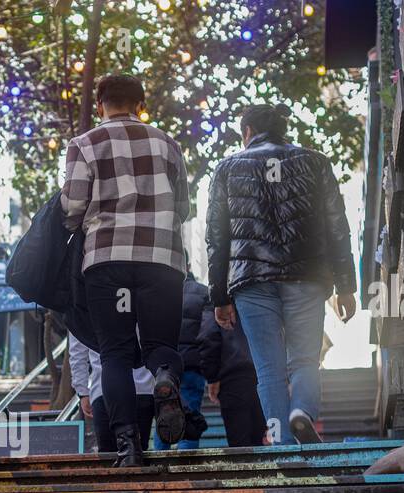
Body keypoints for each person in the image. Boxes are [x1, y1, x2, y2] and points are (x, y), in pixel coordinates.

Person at [61, 73, 193, 467]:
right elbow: (183, 207)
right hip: (161, 261)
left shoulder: (83, 145)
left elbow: (71, 211)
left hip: (107, 263)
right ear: (140, 104)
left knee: (114, 352)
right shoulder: (167, 144)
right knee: (158, 346)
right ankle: (165, 377)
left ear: (100, 102)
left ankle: (127, 446)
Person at [205, 103, 357, 444]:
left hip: (251, 281)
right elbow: (337, 226)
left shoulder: (227, 168)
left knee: (268, 368)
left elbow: (217, 237)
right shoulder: (315, 162)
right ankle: (302, 409)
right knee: (304, 357)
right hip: (306, 276)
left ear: (246, 133)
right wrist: (346, 286)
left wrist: (220, 296)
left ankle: (283, 442)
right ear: (282, 129)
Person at [198, 289, 267, 447]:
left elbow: (208, 337)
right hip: (262, 376)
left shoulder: (217, 299)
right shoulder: (259, 295)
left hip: (232, 380)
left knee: (239, 441)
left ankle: (244, 472)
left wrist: (212, 377)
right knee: (258, 439)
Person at [68, 332, 154, 456]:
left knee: (108, 455)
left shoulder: (85, 312)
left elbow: (77, 350)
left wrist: (82, 391)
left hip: (104, 389)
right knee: (140, 454)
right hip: (142, 387)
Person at [152, 274, 212, 451]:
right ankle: (187, 469)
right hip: (192, 366)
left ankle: (159, 466)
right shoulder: (203, 293)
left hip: (166, 368)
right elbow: (208, 332)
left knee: (163, 414)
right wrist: (208, 366)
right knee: (190, 416)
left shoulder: (159, 293)